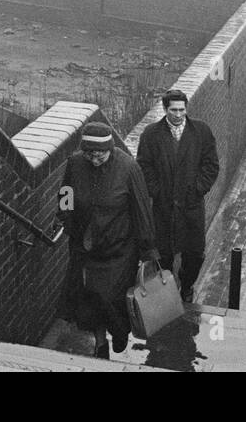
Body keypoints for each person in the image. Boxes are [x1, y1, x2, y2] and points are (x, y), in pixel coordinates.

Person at [58, 121, 159, 359]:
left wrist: (149, 252)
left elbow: (142, 210)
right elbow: (66, 193)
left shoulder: (128, 168)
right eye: (89, 153)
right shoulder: (74, 164)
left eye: (99, 154)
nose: (93, 159)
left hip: (119, 249)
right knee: (91, 297)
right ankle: (100, 342)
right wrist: (64, 216)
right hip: (86, 247)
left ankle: (119, 331)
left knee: (108, 297)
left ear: (110, 149)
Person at [137, 89, 220, 304]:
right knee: (163, 254)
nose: (178, 114)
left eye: (182, 110)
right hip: (163, 208)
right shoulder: (151, 134)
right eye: (173, 110)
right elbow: (144, 166)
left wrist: (197, 189)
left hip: (191, 207)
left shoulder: (201, 131)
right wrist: (157, 191)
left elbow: (211, 165)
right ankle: (168, 289)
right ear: (165, 110)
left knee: (195, 253)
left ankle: (187, 285)